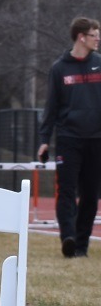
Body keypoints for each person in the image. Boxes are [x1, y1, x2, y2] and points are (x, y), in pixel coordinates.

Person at [38, 17, 101, 258]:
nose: (98, 39)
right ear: (81, 37)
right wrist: (44, 139)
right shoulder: (59, 69)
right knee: (66, 191)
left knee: (90, 195)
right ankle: (68, 238)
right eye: (95, 34)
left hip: (96, 139)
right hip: (68, 138)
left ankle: (82, 247)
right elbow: (51, 107)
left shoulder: (99, 64)